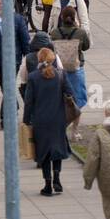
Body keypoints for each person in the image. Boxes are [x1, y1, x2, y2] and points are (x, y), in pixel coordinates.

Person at [23, 46, 74, 196]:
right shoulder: (61, 75)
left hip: (41, 120)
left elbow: (29, 102)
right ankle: (57, 179)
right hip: (58, 119)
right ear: (52, 59)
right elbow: (70, 94)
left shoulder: (33, 77)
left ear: (39, 59)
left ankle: (47, 184)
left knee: (44, 152)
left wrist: (27, 120)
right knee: (57, 150)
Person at [52, 5, 90, 140]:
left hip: (60, 71)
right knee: (78, 100)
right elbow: (86, 46)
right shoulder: (80, 33)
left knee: (60, 100)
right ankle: (74, 132)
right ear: (74, 18)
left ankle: (61, 128)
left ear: (61, 17)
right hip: (76, 69)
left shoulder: (55, 33)